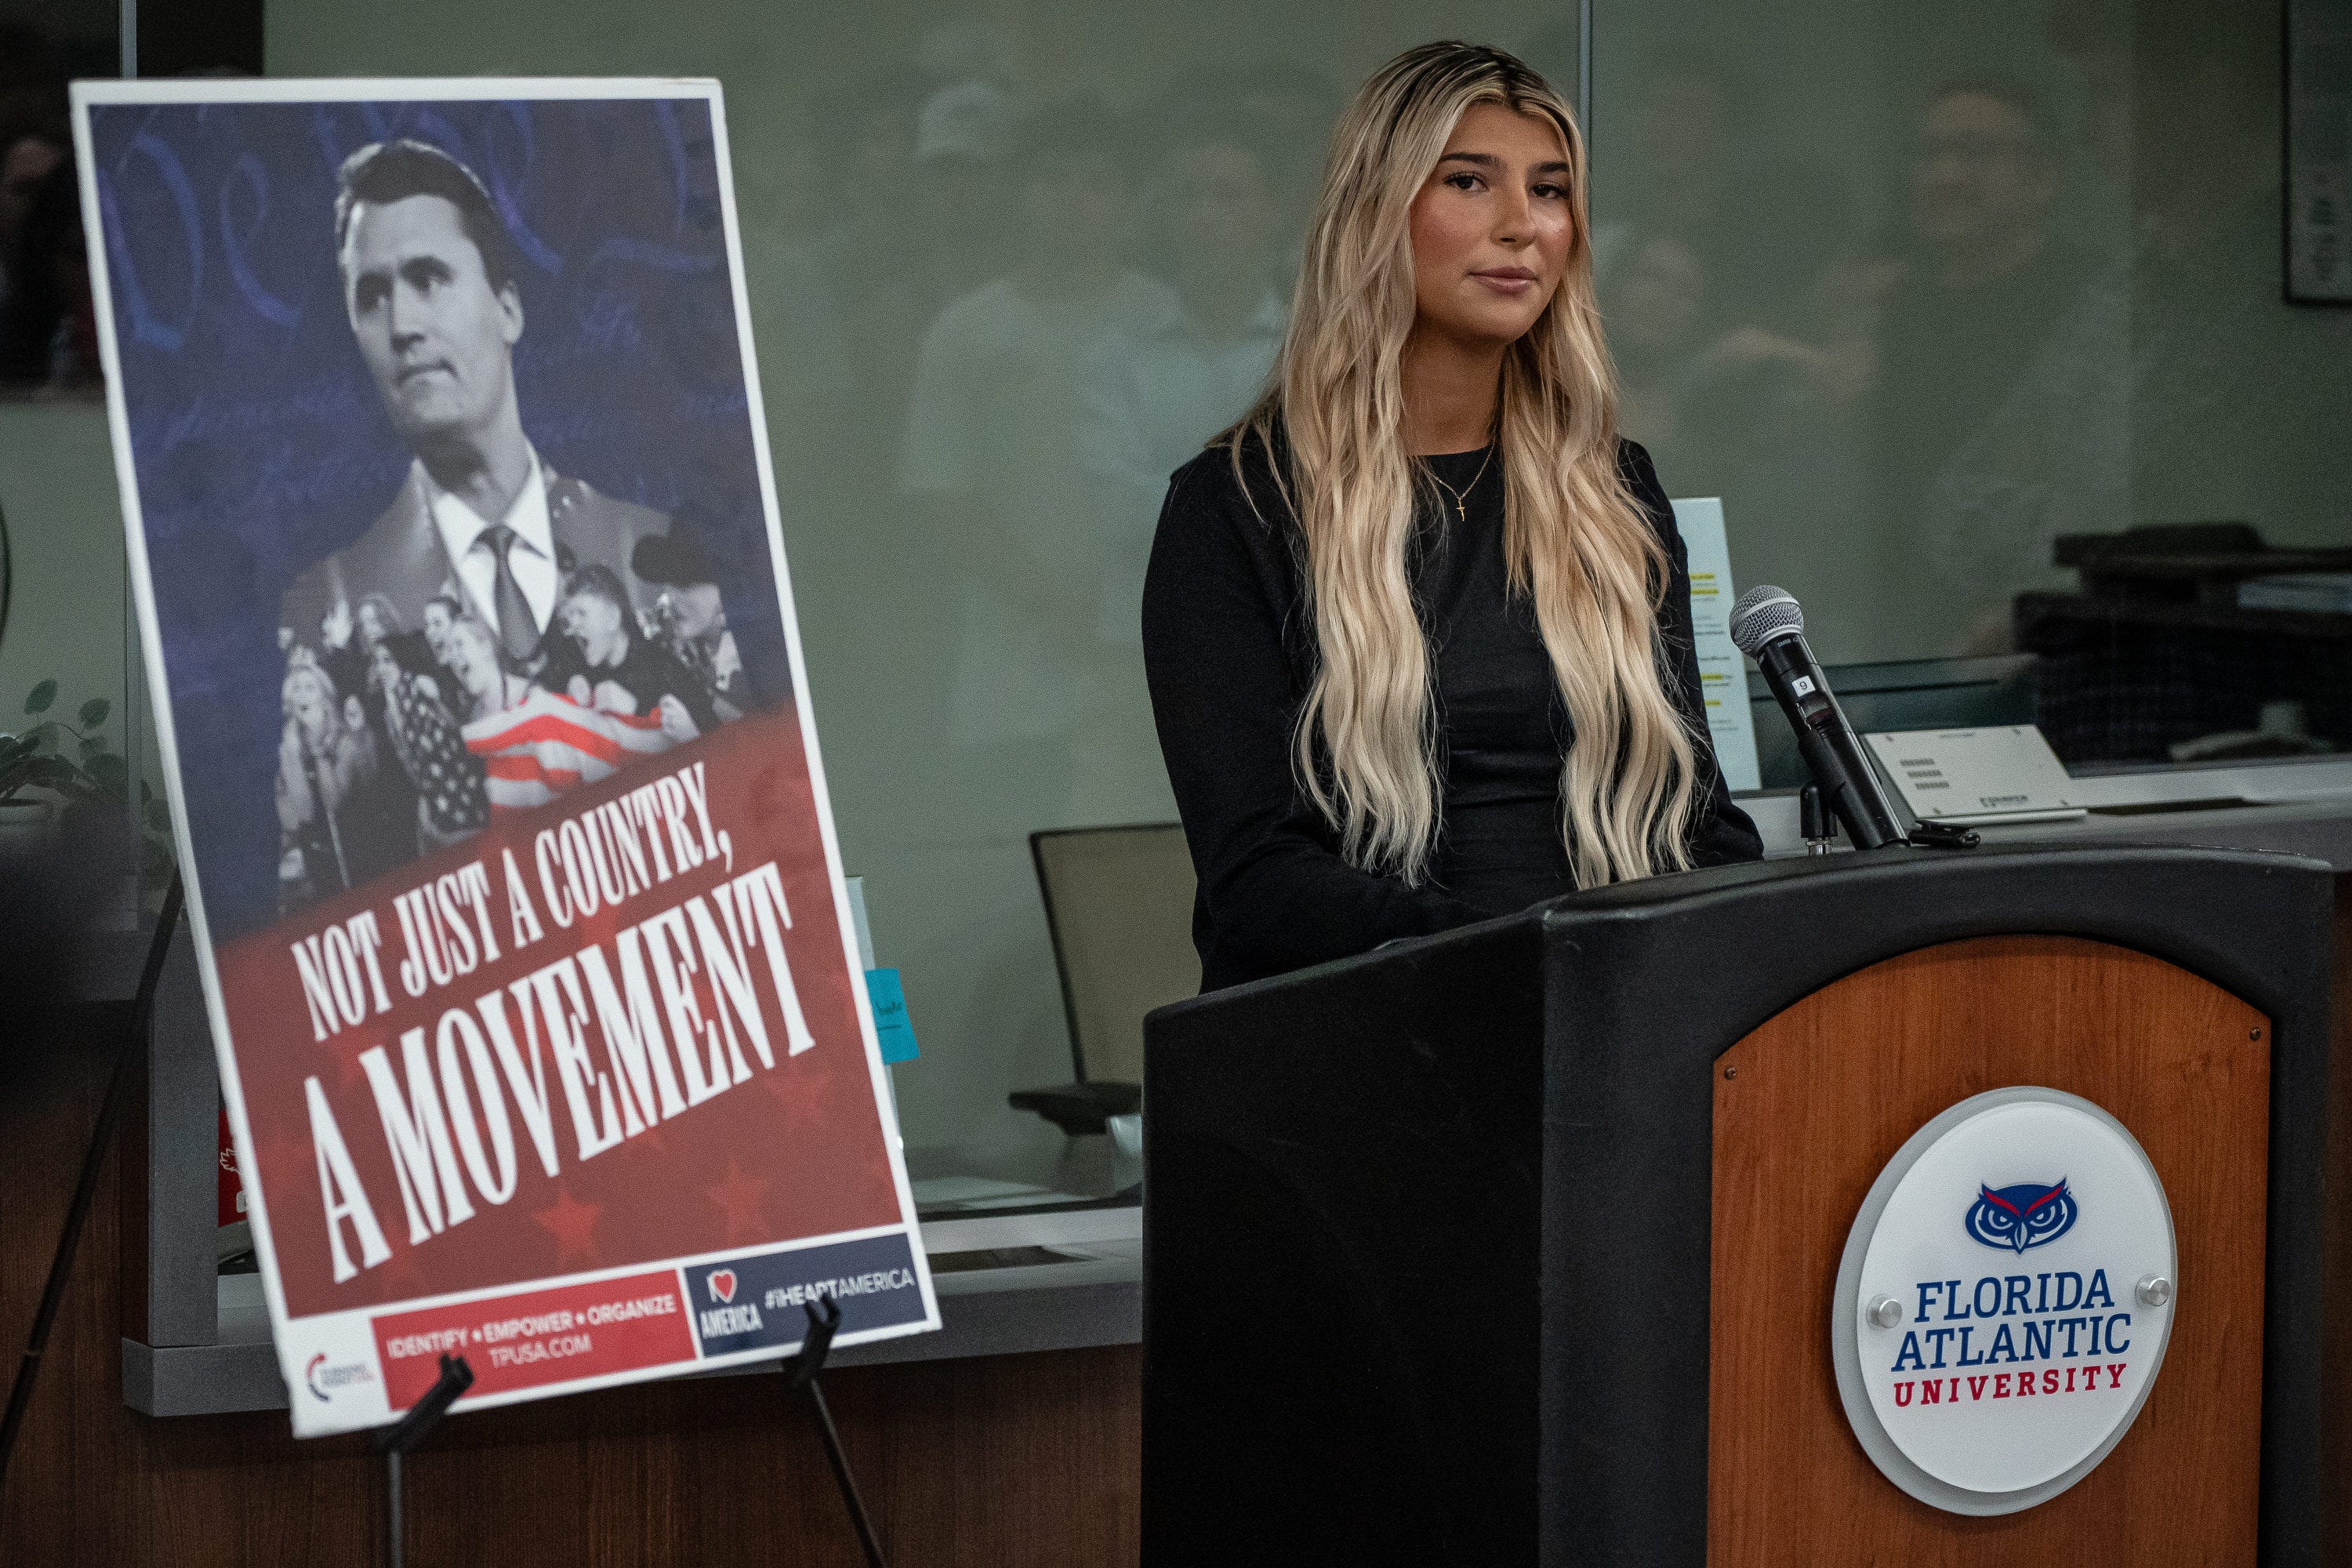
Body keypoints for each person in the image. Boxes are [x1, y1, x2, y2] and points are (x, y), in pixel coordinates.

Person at [1142, 42, 1761, 991]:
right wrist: (1521, 957)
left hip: (1615, 1016)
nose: (1522, 226)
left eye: (1551, 191)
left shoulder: (1613, 488)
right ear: (1375, 213)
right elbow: (1259, 878)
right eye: (1471, 181)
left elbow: (1698, 818)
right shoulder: (1237, 506)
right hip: (1374, 1030)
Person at [279, 138, 670, 670]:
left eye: (428, 279)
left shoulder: (651, 552)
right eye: (372, 297)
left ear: (507, 310)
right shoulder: (330, 607)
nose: (402, 327)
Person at [554, 564, 712, 742]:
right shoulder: (588, 673)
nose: (574, 626)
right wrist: (574, 679)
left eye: (582, 614)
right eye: (569, 619)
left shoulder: (664, 670)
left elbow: (715, 741)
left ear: (613, 618)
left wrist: (637, 712)